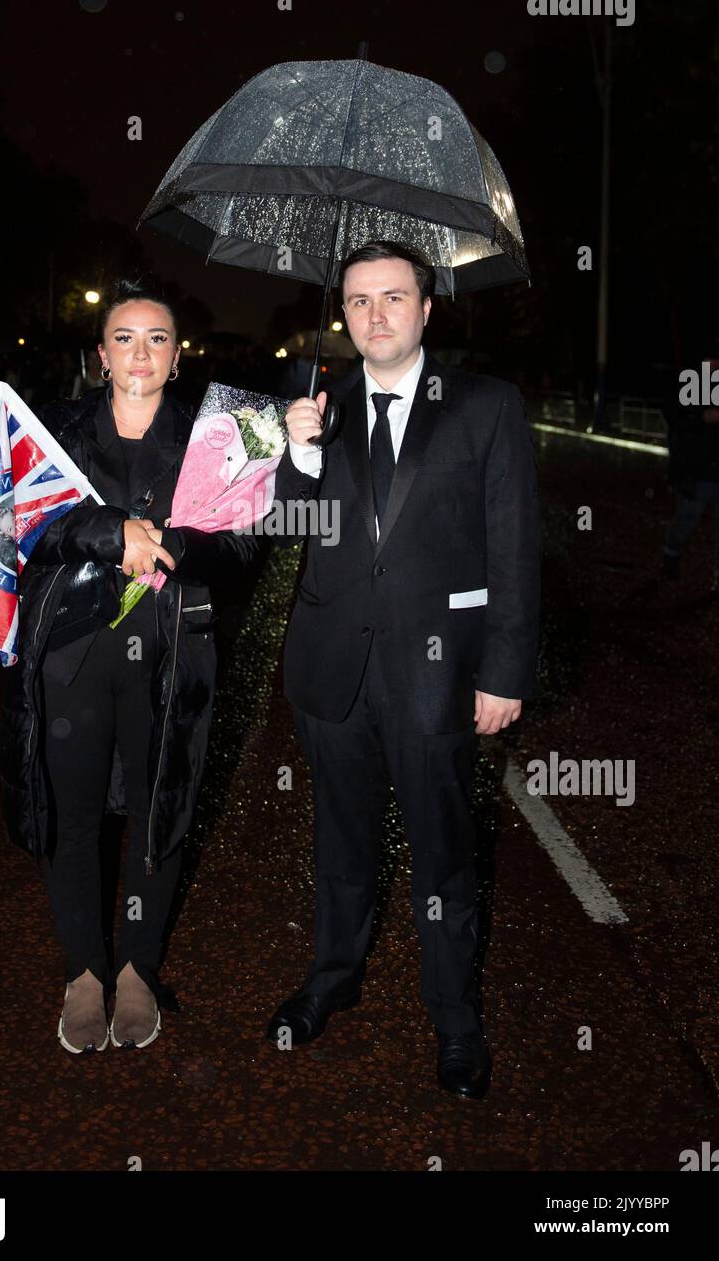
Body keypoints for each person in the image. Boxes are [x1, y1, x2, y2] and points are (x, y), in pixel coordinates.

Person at [266, 241, 541, 1099]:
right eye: (357, 301)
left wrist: (502, 671)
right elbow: (282, 531)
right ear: (341, 315)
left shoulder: (485, 405)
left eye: (392, 297)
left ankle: (455, 1019)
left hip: (437, 674)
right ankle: (333, 976)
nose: (374, 314)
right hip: (333, 673)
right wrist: (300, 455)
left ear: (427, 308)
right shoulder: (320, 409)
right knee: (340, 843)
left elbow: (514, 544)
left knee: (442, 856)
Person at [0, 275, 260, 1054]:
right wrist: (109, 535)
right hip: (72, 656)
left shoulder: (217, 440)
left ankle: (138, 970)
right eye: (123, 338)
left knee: (159, 812)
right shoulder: (57, 430)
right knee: (72, 816)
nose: (139, 353)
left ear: (177, 359)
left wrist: (177, 543)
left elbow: (246, 546)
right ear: (101, 355)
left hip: (174, 656)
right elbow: (19, 527)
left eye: (156, 339)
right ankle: (84, 971)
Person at [661, 345, 719, 594]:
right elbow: (674, 415)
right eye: (710, 360)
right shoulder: (685, 383)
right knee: (687, 519)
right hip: (697, 471)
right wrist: (701, 417)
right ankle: (671, 551)